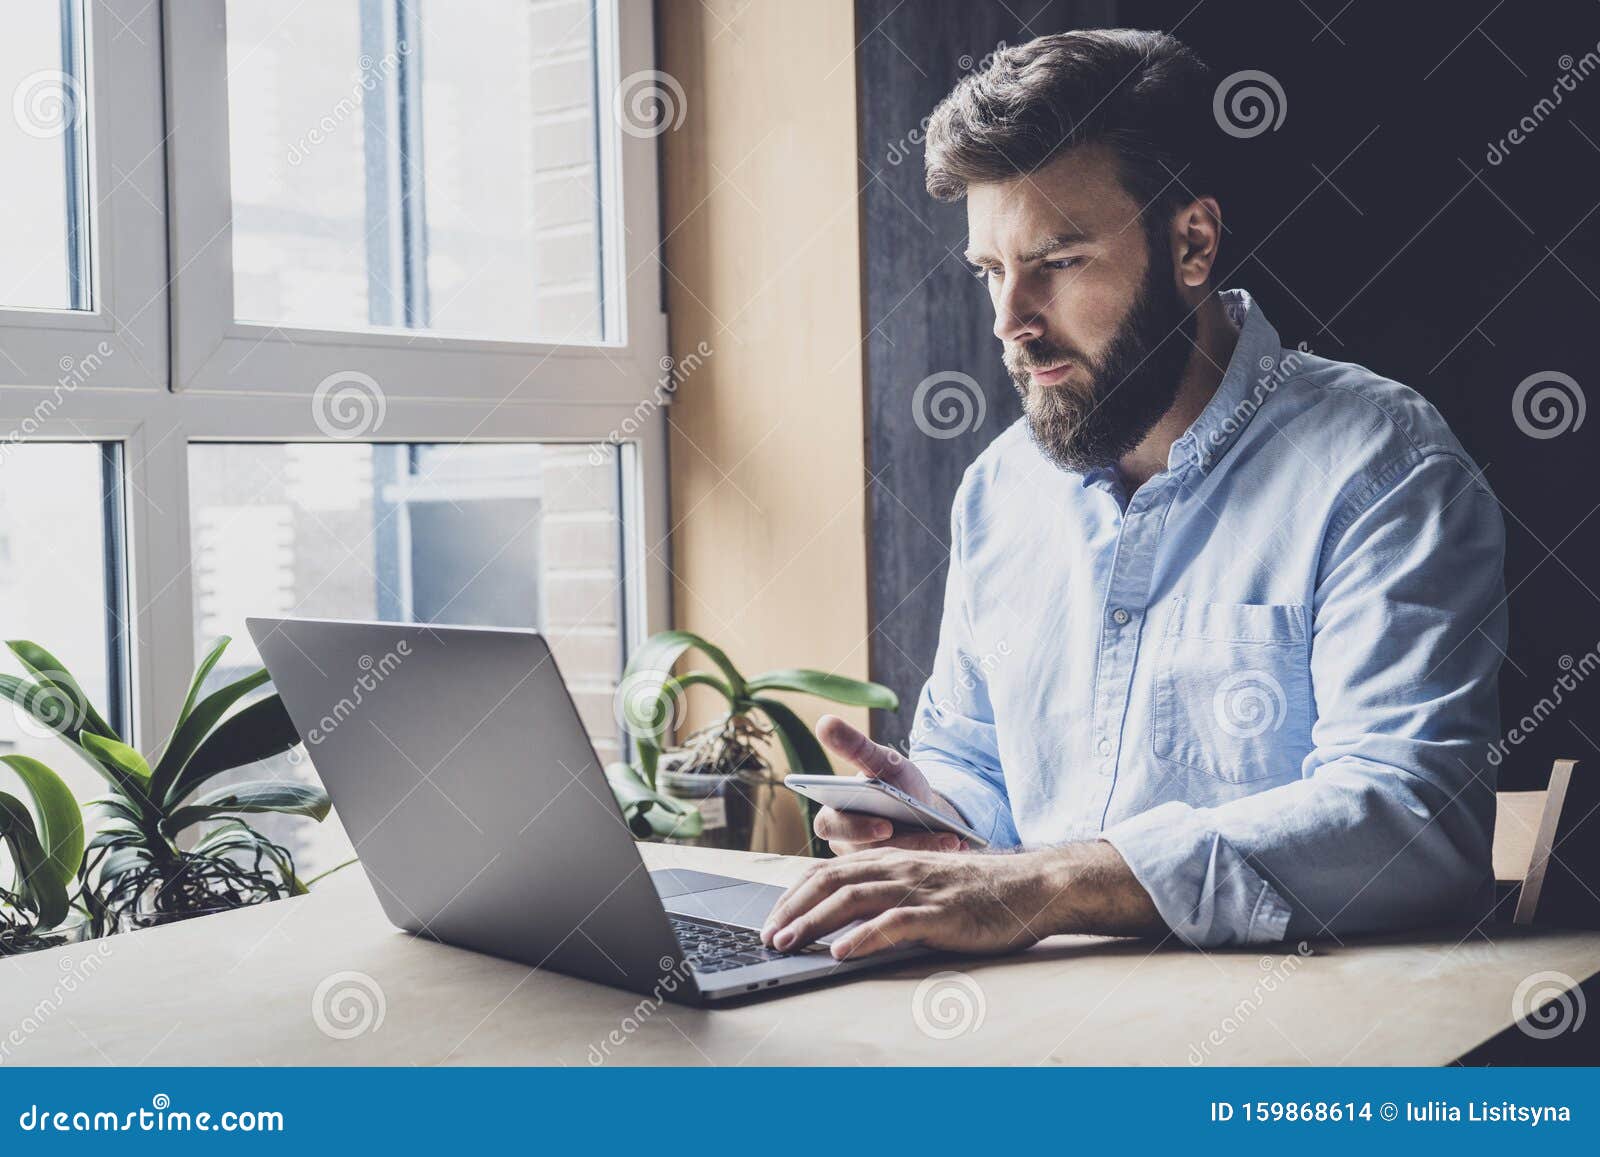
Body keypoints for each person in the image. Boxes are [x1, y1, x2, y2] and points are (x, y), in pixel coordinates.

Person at [761, 28, 1506, 959]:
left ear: (1192, 242)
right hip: (1038, 1018)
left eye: (1059, 262)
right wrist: (933, 821)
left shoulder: (1383, 468)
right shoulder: (1000, 490)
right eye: (991, 271)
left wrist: (1046, 884)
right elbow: (982, 768)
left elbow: (1410, 819)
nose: (1009, 321)